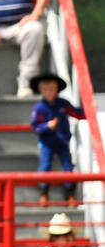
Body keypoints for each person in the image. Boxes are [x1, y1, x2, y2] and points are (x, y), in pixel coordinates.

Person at [30, 72, 85, 207]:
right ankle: (44, 194)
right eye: (45, 89)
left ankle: (70, 195)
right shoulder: (39, 108)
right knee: (45, 167)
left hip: (62, 142)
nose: (49, 92)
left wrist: (89, 111)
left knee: (68, 167)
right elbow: (35, 126)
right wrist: (47, 126)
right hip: (46, 143)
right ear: (41, 91)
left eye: (52, 89)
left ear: (57, 90)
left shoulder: (63, 104)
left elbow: (77, 113)